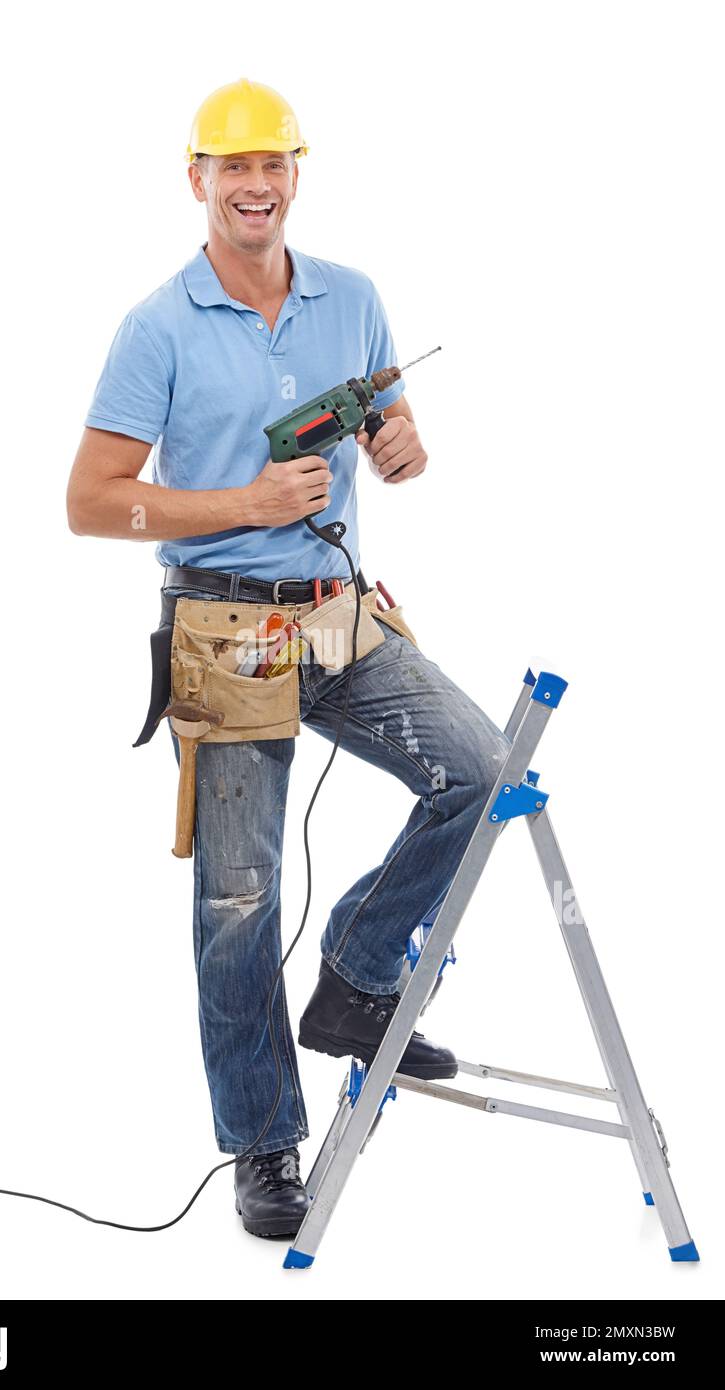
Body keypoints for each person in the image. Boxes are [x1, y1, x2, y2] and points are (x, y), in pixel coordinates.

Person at [66, 78, 510, 1241]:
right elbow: (90, 501)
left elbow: (393, 432)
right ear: (197, 179)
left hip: (334, 613)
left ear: (295, 175)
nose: (254, 186)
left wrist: (402, 448)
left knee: (481, 772)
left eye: (272, 165)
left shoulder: (351, 298)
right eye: (233, 167)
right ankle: (263, 1138)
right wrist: (242, 503)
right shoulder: (156, 326)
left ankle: (357, 979)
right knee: (237, 895)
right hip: (223, 627)